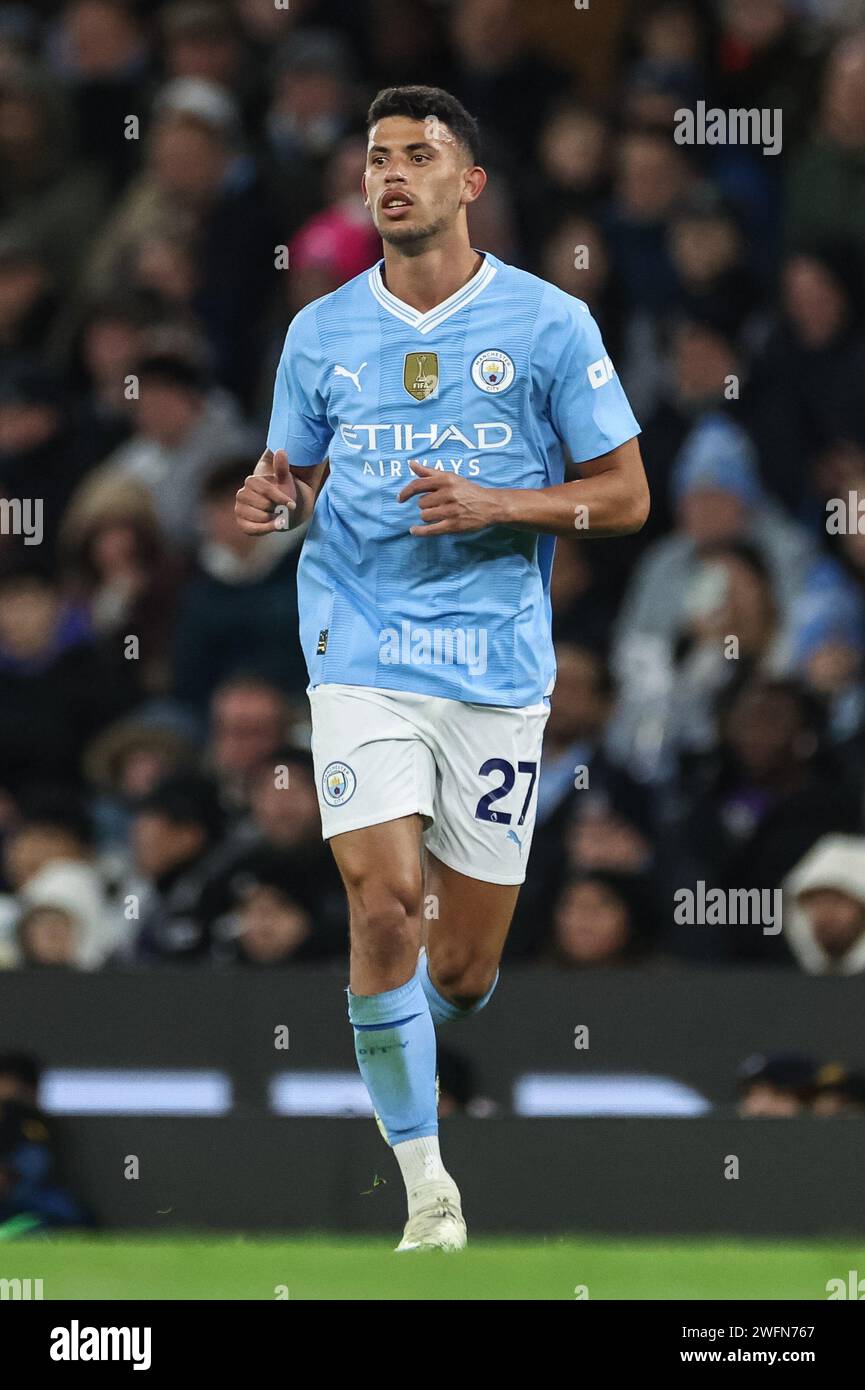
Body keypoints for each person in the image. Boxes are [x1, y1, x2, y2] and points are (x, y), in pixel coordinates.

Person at [235, 85, 649, 1252]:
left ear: (470, 185)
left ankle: (421, 1018)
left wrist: (500, 501)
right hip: (357, 649)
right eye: (376, 159)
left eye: (419, 155)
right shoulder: (319, 331)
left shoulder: (549, 324)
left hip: (494, 669)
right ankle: (429, 1192)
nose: (392, 175)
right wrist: (273, 498)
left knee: (459, 968)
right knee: (378, 906)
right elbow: (289, 478)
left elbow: (624, 495)